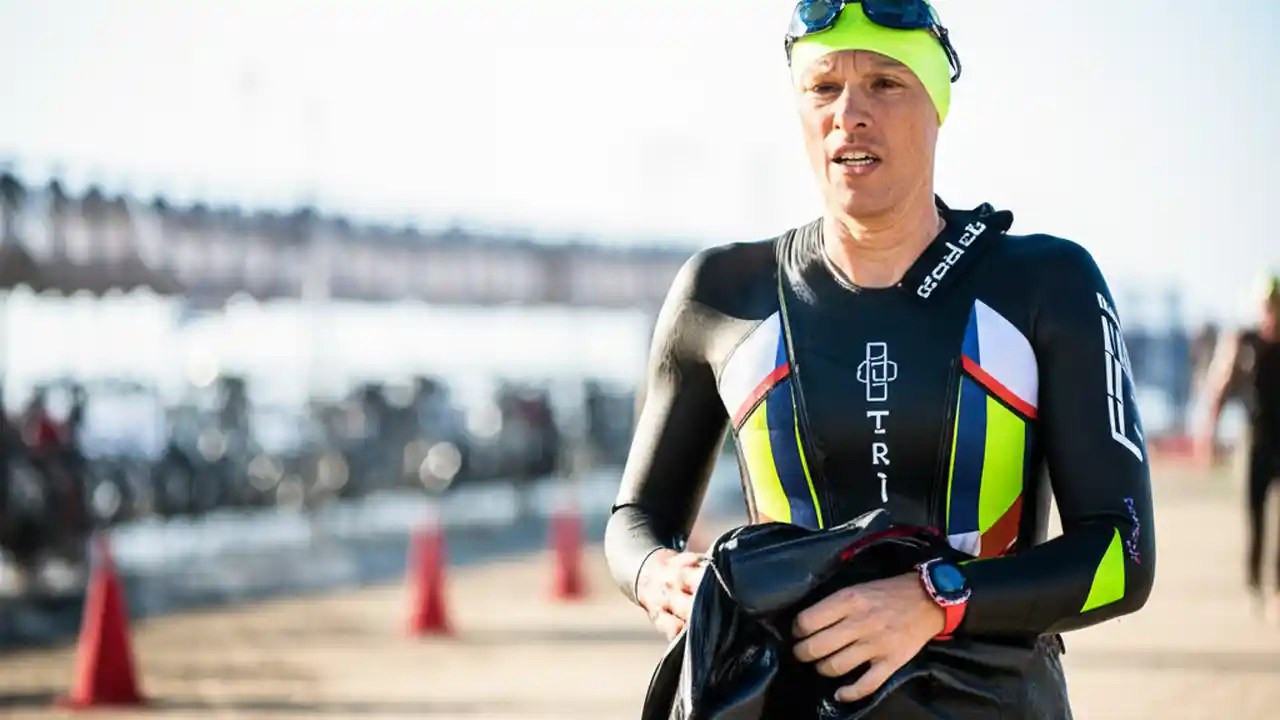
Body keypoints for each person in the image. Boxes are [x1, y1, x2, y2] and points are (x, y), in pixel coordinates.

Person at [605, 0, 1156, 711]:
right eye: (824, 87)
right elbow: (635, 519)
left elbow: (1122, 556)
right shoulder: (721, 295)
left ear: (937, 104)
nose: (850, 114)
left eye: (886, 84)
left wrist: (936, 598)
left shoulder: (1045, 285)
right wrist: (657, 573)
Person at [1199, 275, 1280, 617]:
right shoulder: (1244, 340)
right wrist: (1210, 432)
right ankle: (1254, 585)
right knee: (1256, 517)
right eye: (1267, 304)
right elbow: (1220, 385)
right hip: (1255, 442)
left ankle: (1277, 587)